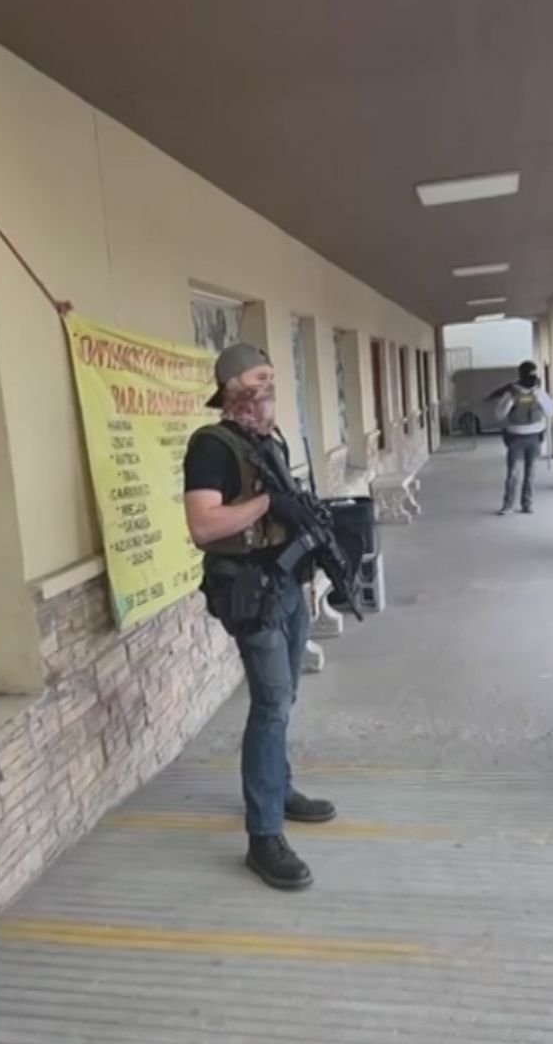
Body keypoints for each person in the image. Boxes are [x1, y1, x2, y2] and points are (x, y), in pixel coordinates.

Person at [183, 343, 337, 891]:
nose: (268, 384)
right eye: (258, 376)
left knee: (285, 694)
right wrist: (268, 505)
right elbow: (203, 526)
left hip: (287, 584)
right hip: (250, 591)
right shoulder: (210, 446)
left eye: (272, 376)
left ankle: (279, 787)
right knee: (271, 705)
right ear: (230, 386)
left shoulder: (267, 440)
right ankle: (263, 835)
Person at [489, 361, 553, 515]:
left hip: (533, 437)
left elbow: (550, 411)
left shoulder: (539, 392)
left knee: (530, 473)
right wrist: (512, 402)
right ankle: (509, 505)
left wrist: (537, 398)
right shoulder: (511, 393)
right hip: (516, 438)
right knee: (514, 473)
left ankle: (526, 504)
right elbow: (499, 414)